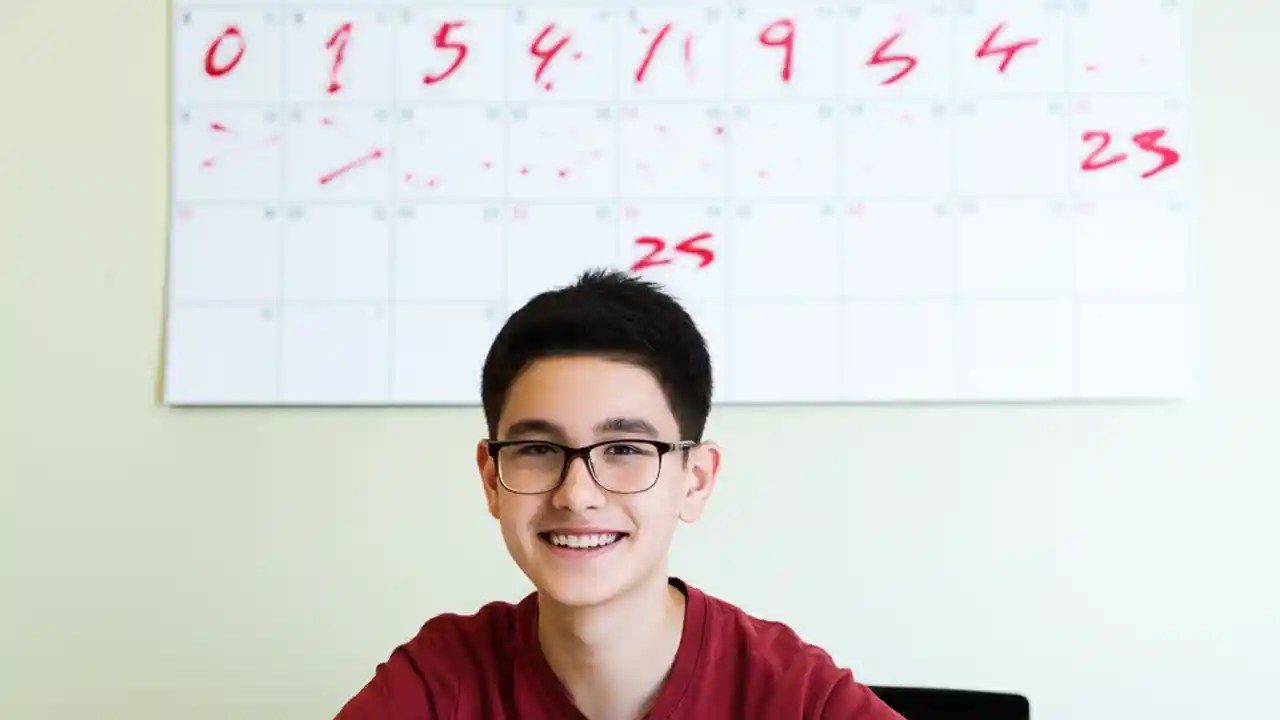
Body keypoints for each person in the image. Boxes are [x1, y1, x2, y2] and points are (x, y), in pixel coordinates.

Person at [335, 269, 902, 719]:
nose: (576, 494)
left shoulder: (793, 695)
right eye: (537, 449)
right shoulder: (442, 681)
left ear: (696, 480)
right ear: (491, 478)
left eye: (625, 450)